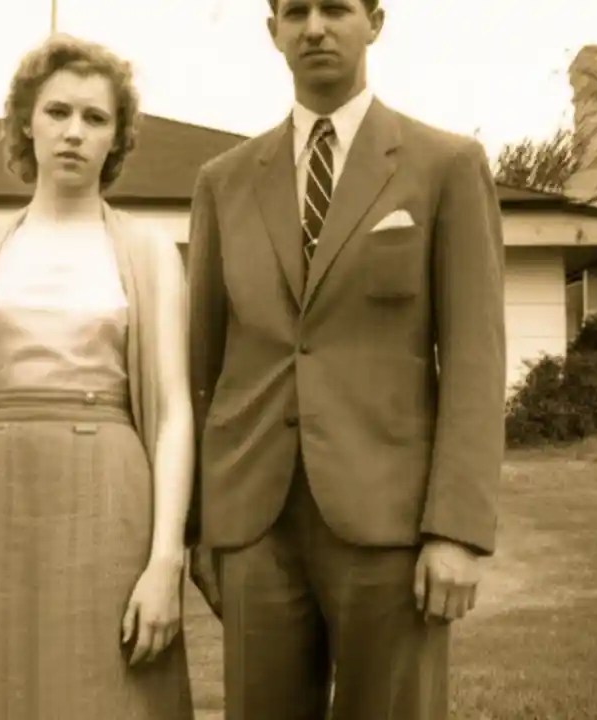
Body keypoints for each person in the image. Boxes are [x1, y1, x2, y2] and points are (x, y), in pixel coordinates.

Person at [185, 0, 506, 718]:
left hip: (391, 524)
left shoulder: (446, 166)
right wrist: (199, 526)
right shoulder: (224, 181)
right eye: (296, 11)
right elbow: (200, 366)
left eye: (335, 8)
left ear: (375, 22)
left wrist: (457, 530)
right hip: (254, 522)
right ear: (273, 31)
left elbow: (476, 362)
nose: (315, 27)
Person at [0, 34, 196, 720]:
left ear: (116, 138)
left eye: (95, 118)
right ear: (26, 122)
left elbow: (173, 414)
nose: (74, 132)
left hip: (112, 506)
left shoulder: (150, 253)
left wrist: (165, 562)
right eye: (58, 111)